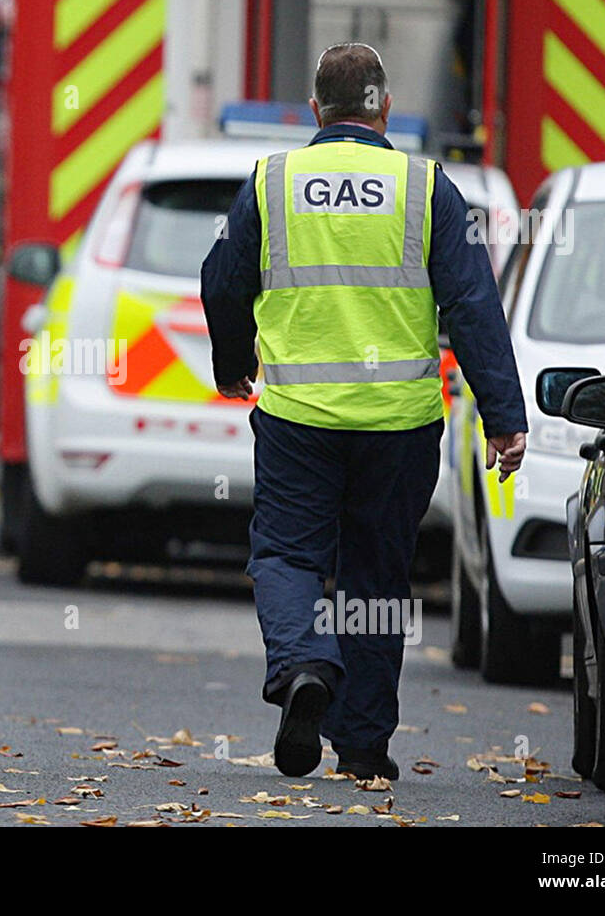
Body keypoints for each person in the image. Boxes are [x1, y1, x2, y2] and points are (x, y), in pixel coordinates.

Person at [200, 43, 527, 780]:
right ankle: (365, 748)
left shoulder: (272, 180)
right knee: (376, 578)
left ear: (315, 109)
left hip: (298, 418)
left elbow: (220, 279)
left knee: (286, 555)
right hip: (400, 424)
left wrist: (232, 366)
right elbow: (473, 305)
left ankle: (306, 662)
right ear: (383, 108)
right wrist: (504, 415)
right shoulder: (426, 187)